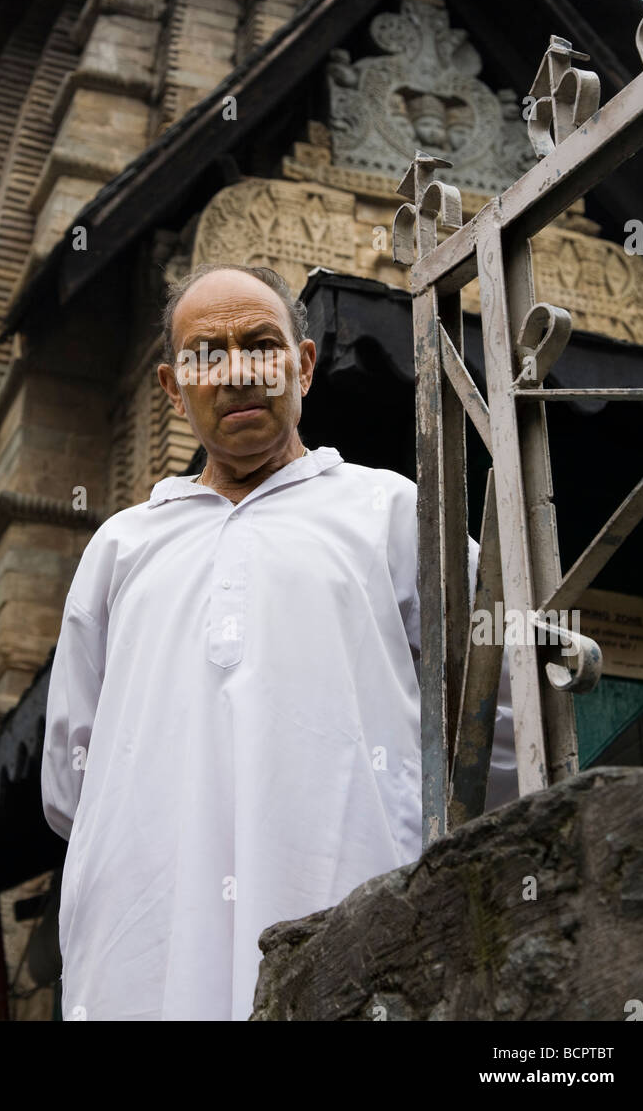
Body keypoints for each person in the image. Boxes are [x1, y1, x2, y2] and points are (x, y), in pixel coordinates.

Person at [41, 263, 517, 1021]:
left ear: (302, 364)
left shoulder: (389, 511)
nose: (236, 373)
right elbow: (72, 785)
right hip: (144, 945)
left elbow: (499, 722)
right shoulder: (122, 549)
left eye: (261, 344)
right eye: (206, 354)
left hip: (353, 905)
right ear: (171, 387)